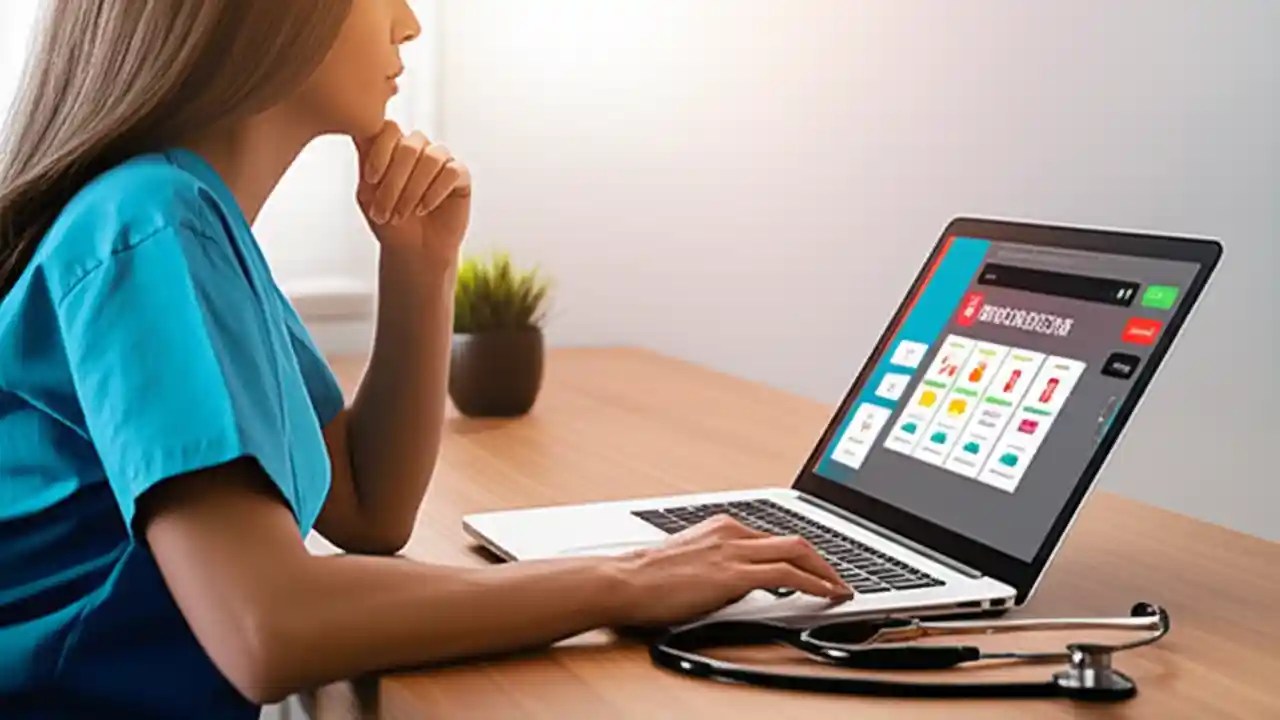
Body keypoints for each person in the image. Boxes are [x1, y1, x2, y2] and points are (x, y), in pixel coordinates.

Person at [0, 1, 851, 717]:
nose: (408, 23)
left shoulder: (185, 219)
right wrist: (625, 579)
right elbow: (266, 626)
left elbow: (367, 506)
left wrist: (419, 266)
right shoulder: (150, 225)